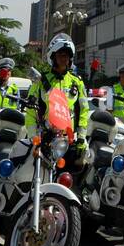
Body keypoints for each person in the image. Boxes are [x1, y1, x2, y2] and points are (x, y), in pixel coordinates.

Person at [25, 33, 90, 173]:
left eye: (66, 55)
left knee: (74, 175)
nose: (63, 58)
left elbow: (84, 111)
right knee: (38, 176)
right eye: (60, 54)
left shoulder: (76, 82)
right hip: (46, 138)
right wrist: (34, 139)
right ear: (53, 56)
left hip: (69, 139)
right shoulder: (41, 81)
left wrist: (82, 138)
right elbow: (30, 112)